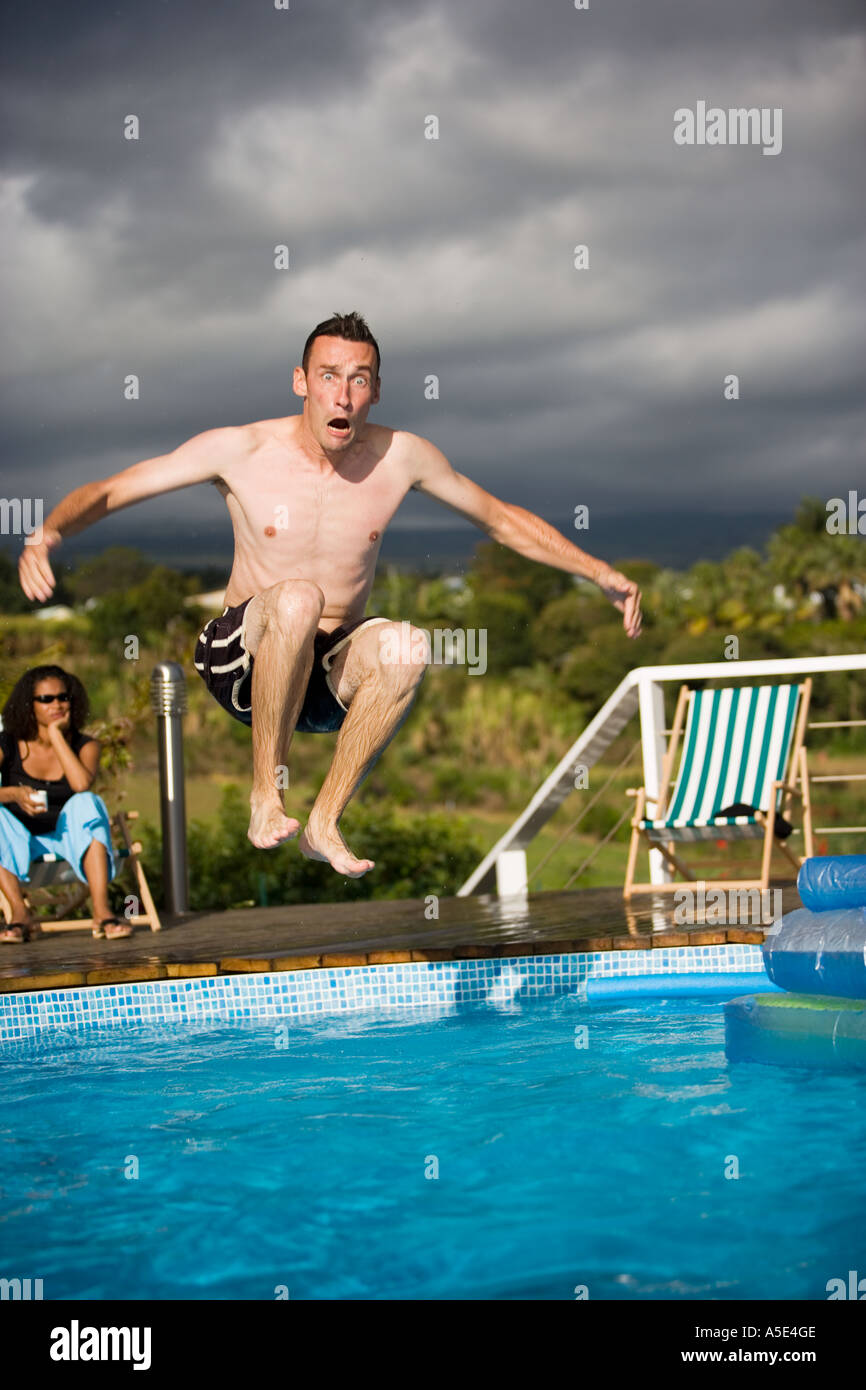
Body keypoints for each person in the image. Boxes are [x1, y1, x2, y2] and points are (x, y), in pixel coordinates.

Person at [19, 311, 643, 878]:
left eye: (359, 379)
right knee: (297, 599)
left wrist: (596, 571)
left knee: (407, 646)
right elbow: (116, 488)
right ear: (301, 382)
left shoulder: (403, 457)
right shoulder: (241, 449)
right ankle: (267, 794)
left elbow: (500, 519)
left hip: (326, 674)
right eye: (328, 377)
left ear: (375, 389)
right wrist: (46, 533)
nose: (343, 395)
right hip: (243, 658)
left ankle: (322, 823)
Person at [0, 665, 131, 942]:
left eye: (63, 697)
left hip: (69, 839)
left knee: (87, 802)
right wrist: (13, 794)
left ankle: (101, 911)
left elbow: (80, 784)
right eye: (46, 699)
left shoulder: (86, 745)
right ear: (29, 704)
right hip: (17, 840)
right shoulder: (8, 744)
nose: (56, 704)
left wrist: (56, 736)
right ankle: (19, 913)